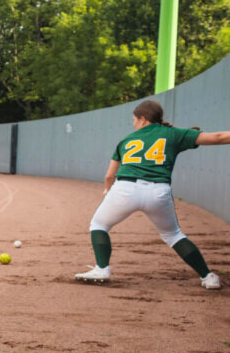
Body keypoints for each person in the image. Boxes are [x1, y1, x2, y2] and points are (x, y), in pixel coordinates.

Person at [76, 100, 230, 289]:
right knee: (174, 235)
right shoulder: (175, 134)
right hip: (158, 191)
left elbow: (110, 175)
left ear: (143, 119)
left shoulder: (127, 140)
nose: (133, 124)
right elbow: (219, 137)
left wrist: (109, 191)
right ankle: (208, 277)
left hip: (125, 189)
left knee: (99, 224)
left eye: (134, 119)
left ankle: (102, 269)